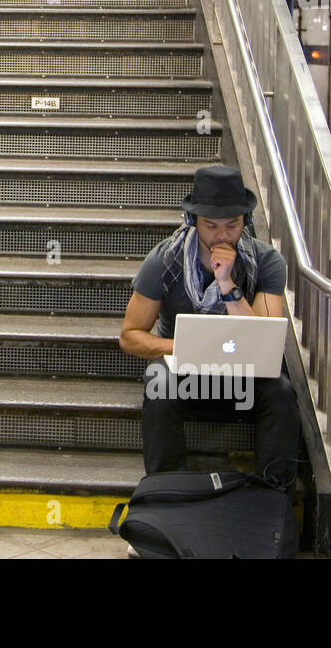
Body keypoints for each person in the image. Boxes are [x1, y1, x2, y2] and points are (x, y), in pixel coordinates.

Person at [119, 165, 299, 489]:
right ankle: (165, 491)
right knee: (158, 384)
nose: (221, 235)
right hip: (189, 378)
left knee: (282, 393)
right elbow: (130, 336)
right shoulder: (164, 260)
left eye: (232, 225)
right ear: (193, 222)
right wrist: (183, 347)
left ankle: (272, 496)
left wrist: (228, 284)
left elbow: (266, 337)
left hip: (244, 379)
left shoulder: (267, 261)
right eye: (211, 225)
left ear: (245, 221)